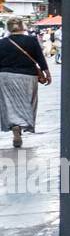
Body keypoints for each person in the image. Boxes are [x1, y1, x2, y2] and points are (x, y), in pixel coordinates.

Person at [0, 18, 51, 148]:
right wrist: (47, 73)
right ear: (23, 27)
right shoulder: (32, 41)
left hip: (6, 76)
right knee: (28, 101)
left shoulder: (2, 43)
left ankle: (14, 126)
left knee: (9, 103)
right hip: (28, 76)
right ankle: (22, 123)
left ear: (8, 28)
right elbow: (40, 58)